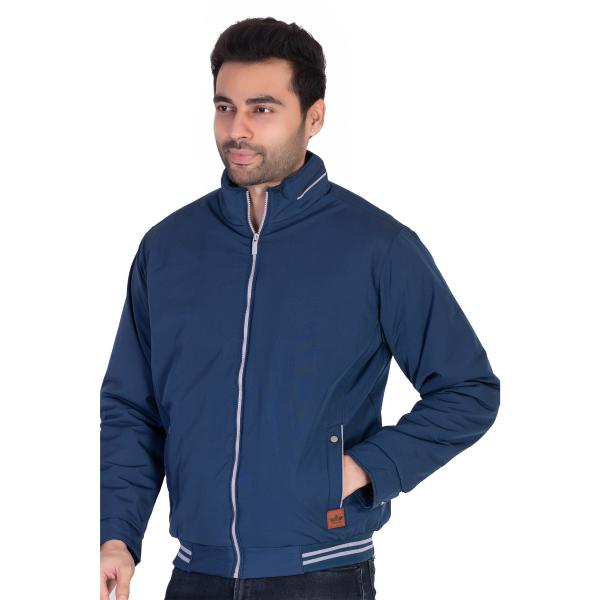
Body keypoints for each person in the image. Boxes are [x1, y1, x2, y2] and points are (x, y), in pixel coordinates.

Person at [100, 17, 501, 600]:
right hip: (195, 572)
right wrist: (119, 535)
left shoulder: (377, 247)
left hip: (321, 573)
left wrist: (362, 470)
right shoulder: (167, 249)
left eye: (262, 109)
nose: (237, 129)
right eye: (224, 107)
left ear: (314, 117)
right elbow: (132, 408)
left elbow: (468, 389)